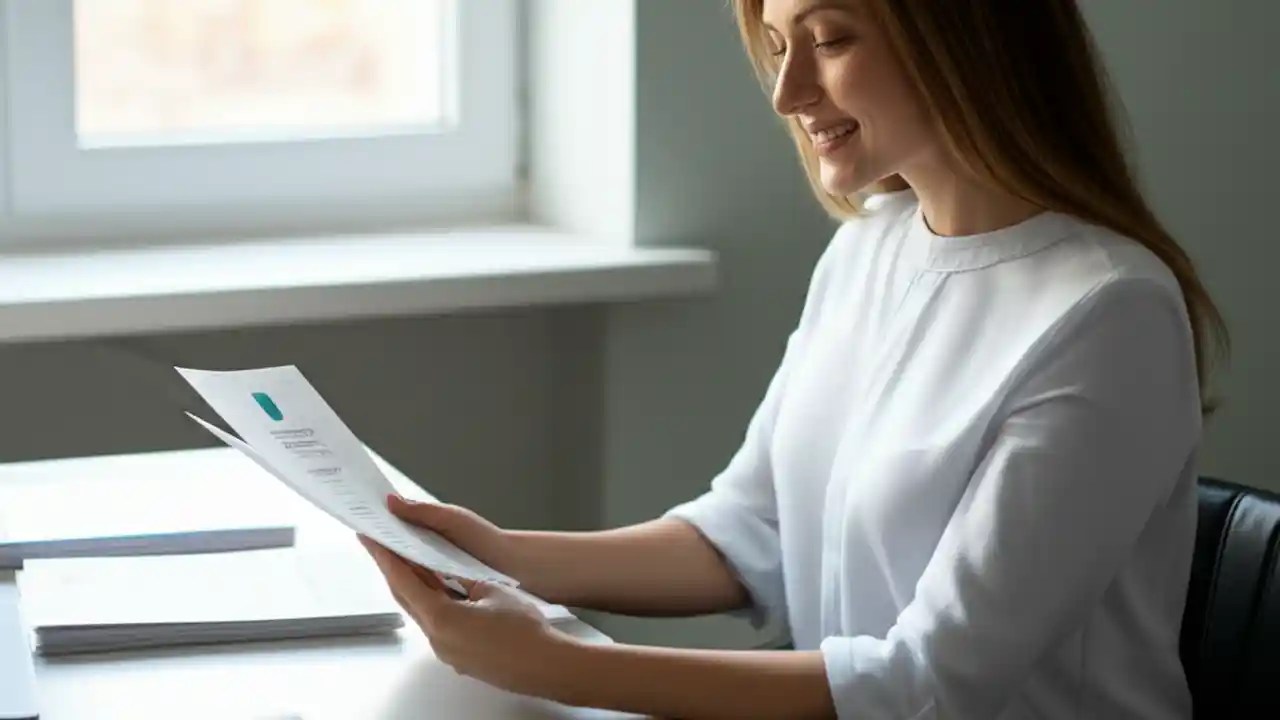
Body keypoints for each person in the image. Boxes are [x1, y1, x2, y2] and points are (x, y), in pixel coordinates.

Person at [358, 1, 1231, 717]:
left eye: (830, 40)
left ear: (965, 37)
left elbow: (931, 682)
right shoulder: (869, 250)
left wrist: (554, 666)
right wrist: (501, 555)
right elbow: (749, 535)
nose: (787, 91)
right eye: (779, 47)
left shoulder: (1109, 313)